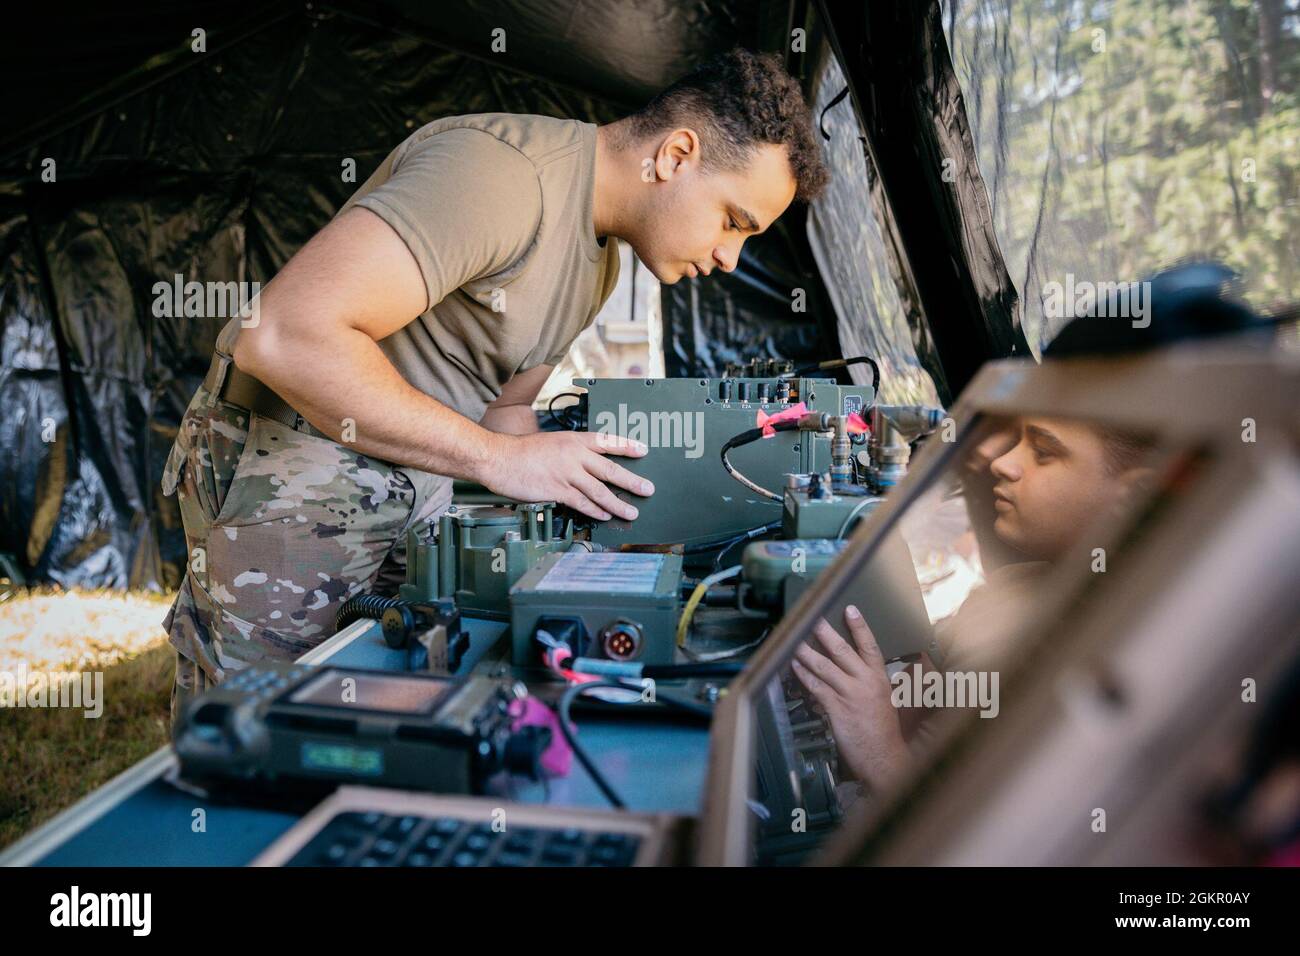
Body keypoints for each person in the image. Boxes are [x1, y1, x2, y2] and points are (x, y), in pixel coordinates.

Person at [162, 49, 830, 721]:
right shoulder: (505, 178)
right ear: (677, 154)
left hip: (412, 484)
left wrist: (585, 505)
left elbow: (505, 410)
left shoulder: (597, 259)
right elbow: (281, 334)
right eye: (734, 222)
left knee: (375, 717)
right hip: (289, 477)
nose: (729, 257)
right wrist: (499, 460)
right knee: (253, 735)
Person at [790, 416, 1154, 792]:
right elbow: (915, 710)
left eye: (1043, 452)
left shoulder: (1126, 656)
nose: (1002, 463)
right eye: (1019, 441)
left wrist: (882, 758)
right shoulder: (1011, 584)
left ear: (1133, 495)